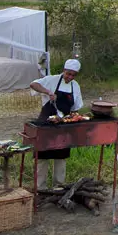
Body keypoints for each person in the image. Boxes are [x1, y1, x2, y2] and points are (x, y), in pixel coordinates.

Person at [28, 57, 86, 189]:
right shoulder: (52, 80)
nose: (70, 77)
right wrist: (48, 92)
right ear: (64, 70)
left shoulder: (75, 86)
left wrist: (72, 117)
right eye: (68, 73)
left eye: (73, 75)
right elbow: (33, 84)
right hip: (46, 124)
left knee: (61, 157)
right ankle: (40, 188)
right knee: (42, 157)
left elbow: (75, 108)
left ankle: (58, 188)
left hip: (63, 126)